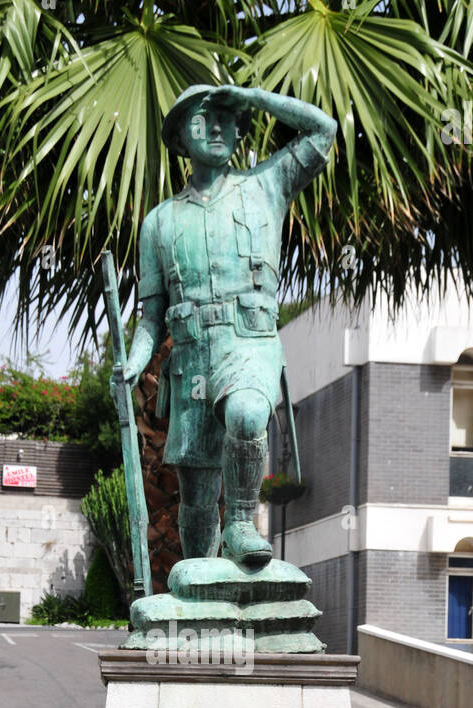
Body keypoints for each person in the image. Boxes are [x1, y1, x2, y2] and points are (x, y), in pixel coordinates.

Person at [114, 85, 336, 569]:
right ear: (179, 138)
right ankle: (198, 576)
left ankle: (240, 523)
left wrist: (253, 97)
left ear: (239, 129)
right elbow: (151, 317)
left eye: (226, 119)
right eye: (202, 119)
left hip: (250, 340)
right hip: (192, 356)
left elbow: (323, 129)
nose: (215, 128)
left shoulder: (266, 185)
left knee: (248, 414)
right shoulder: (159, 223)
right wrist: (133, 363)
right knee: (195, 492)